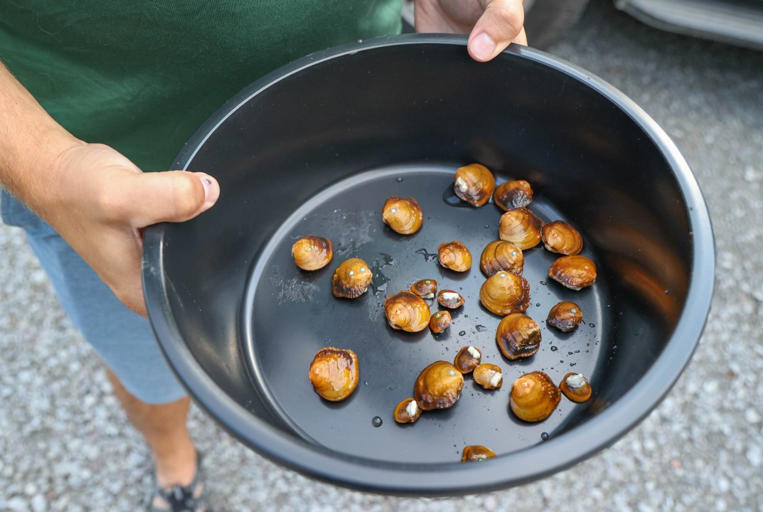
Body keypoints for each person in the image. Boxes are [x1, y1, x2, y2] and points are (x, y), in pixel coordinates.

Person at [0, 1, 526, 510]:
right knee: (146, 360)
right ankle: (172, 457)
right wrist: (47, 168)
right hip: (105, 179)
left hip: (357, 106)